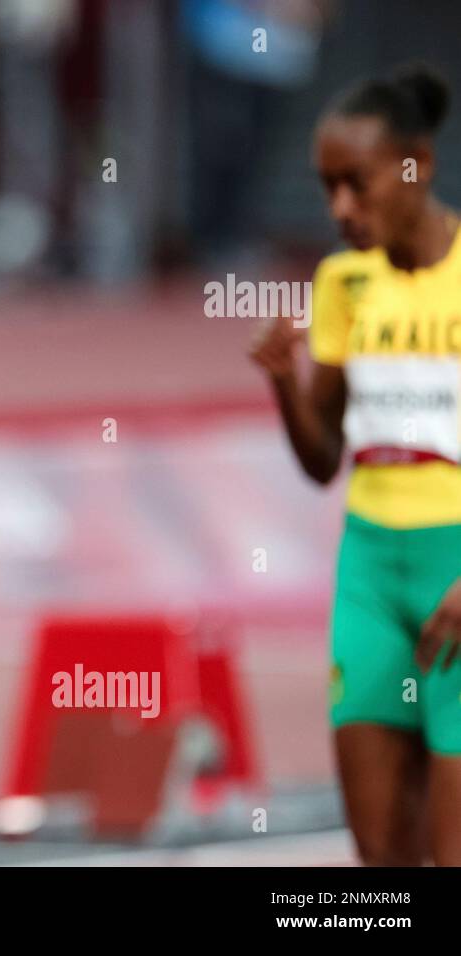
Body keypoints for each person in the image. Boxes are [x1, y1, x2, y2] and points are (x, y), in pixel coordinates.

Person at [251, 63, 461, 865]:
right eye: (327, 187)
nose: (341, 208)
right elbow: (322, 458)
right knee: (379, 867)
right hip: (371, 573)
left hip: (456, 571)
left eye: (359, 184)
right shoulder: (342, 283)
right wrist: (282, 385)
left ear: (418, 166)